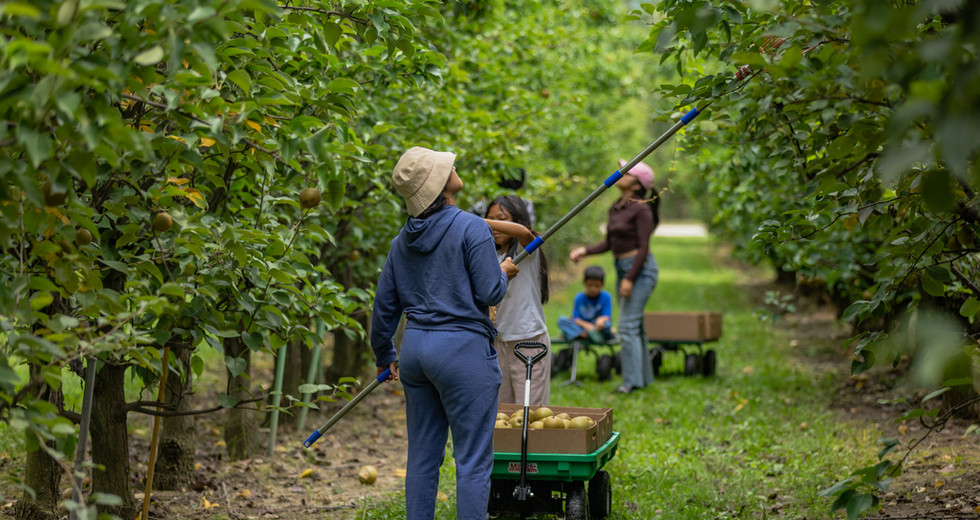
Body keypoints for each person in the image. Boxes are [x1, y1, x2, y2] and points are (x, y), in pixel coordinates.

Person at [370, 146, 520, 520]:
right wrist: (504, 271)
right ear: (441, 186)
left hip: (416, 352)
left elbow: (384, 305)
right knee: (472, 459)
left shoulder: (400, 241)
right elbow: (490, 292)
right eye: (446, 166)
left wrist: (385, 353)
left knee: (422, 457)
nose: (452, 165)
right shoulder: (470, 226)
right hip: (463, 352)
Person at [569, 159, 661, 394]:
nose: (620, 173)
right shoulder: (617, 207)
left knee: (628, 326)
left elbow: (643, 248)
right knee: (636, 326)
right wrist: (586, 251)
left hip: (639, 270)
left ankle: (630, 383)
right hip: (623, 267)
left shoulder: (642, 209)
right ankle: (642, 379)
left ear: (636, 183)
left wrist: (630, 278)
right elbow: (610, 243)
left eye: (626, 172)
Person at [483, 195, 551, 405]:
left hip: (529, 341)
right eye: (491, 219)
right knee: (503, 411)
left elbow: (523, 233)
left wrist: (476, 221)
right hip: (499, 341)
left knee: (528, 411)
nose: (496, 226)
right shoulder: (491, 257)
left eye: (502, 219)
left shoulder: (526, 250)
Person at [557, 265, 614, 344]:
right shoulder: (579, 298)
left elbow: (607, 316)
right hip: (583, 328)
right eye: (590, 285)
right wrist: (588, 327)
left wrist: (601, 320)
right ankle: (587, 335)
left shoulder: (606, 297)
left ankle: (574, 334)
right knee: (562, 320)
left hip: (599, 327)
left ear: (602, 284)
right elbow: (576, 318)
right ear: (584, 283)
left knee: (607, 325)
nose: (593, 289)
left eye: (596, 286)